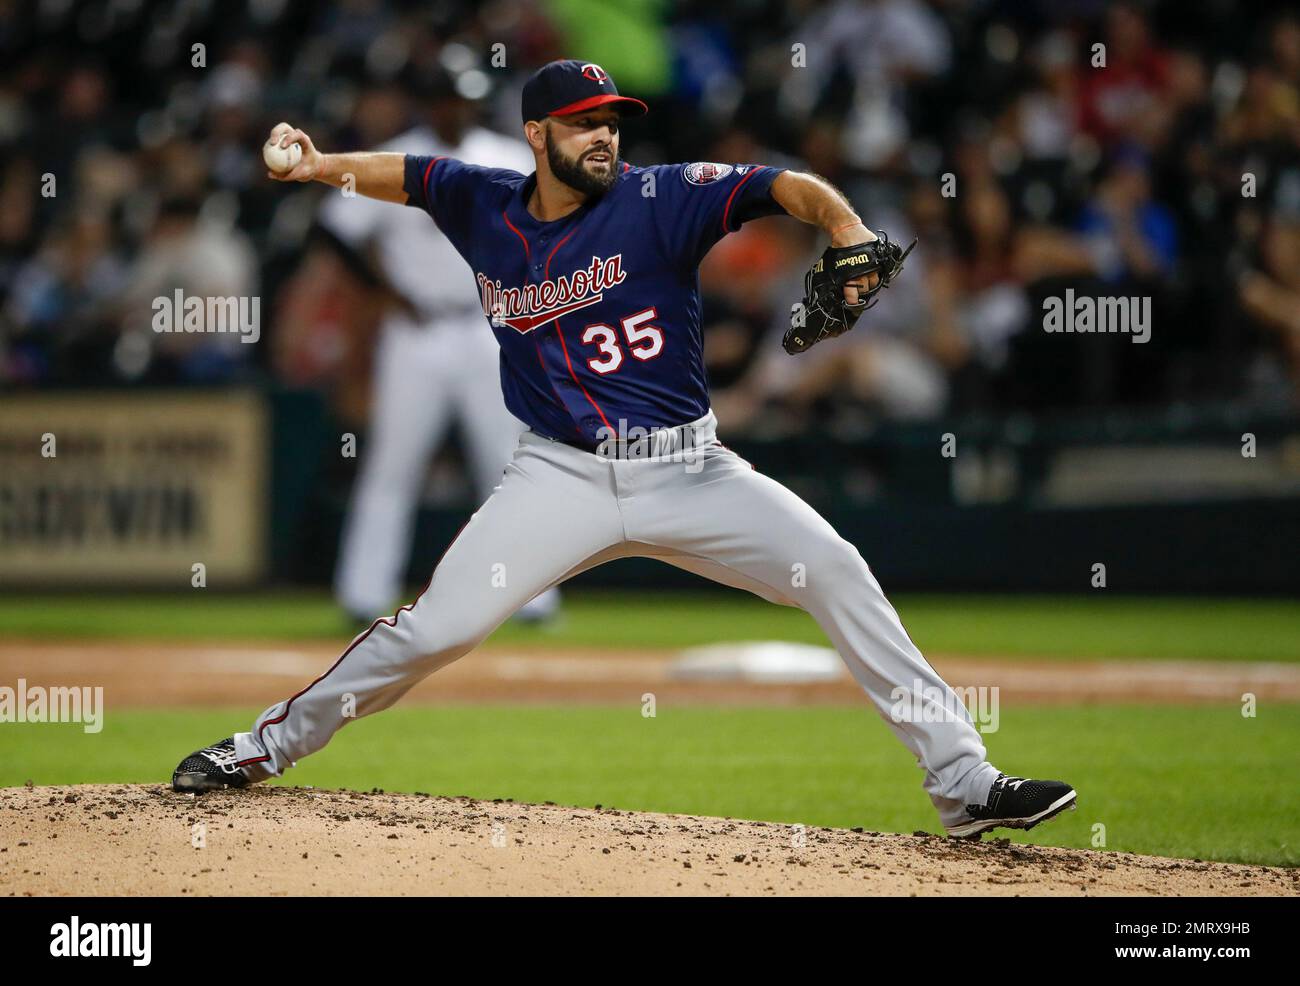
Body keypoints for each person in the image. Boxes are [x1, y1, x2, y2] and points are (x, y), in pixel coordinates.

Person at [173, 60, 1076, 839]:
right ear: (536, 135)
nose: (603, 136)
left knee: (837, 570)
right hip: (558, 474)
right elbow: (401, 175)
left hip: (691, 469)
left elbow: (783, 186)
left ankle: (964, 783)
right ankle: (261, 746)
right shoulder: (478, 199)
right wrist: (319, 165)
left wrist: (844, 231)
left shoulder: (662, 197)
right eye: (582, 124)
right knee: (435, 630)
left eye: (611, 121)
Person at [322, 66, 560, 625]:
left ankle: (532, 596)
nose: (455, 108)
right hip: (417, 332)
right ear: (428, 104)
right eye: (445, 98)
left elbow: (560, 226)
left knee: (510, 466)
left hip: (490, 328)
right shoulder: (397, 160)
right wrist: (384, 291)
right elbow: (334, 225)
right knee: (391, 466)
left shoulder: (508, 155)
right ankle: (362, 594)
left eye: (463, 99)